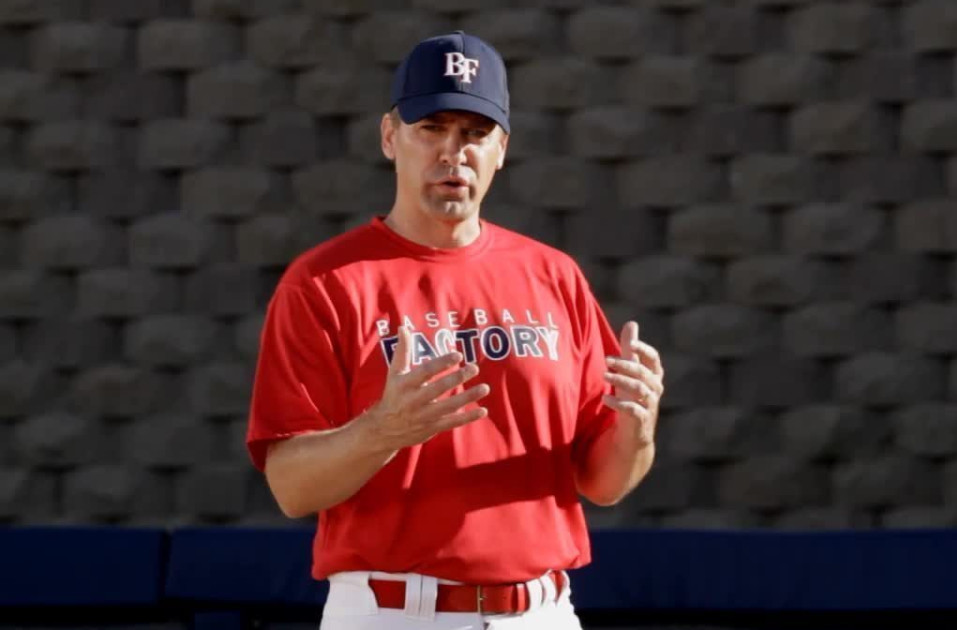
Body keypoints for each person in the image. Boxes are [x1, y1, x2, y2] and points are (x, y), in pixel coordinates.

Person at [244, 31, 665, 630]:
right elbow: (290, 487)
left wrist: (638, 431)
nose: (453, 151)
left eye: (474, 133)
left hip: (541, 611)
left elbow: (603, 482)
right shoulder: (325, 283)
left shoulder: (553, 275)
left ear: (501, 150)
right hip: (396, 610)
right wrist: (382, 431)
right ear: (390, 137)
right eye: (431, 128)